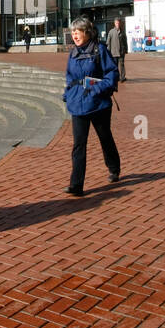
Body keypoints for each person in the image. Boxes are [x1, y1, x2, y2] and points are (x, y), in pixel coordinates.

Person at [61, 17, 121, 196]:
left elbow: (112, 74)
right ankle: (76, 185)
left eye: (77, 32)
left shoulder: (99, 49)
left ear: (86, 32)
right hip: (78, 103)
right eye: (72, 32)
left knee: (105, 137)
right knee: (79, 144)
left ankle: (114, 168)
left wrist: (96, 89)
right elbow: (70, 76)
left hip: (98, 104)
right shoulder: (73, 53)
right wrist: (68, 93)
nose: (74, 35)